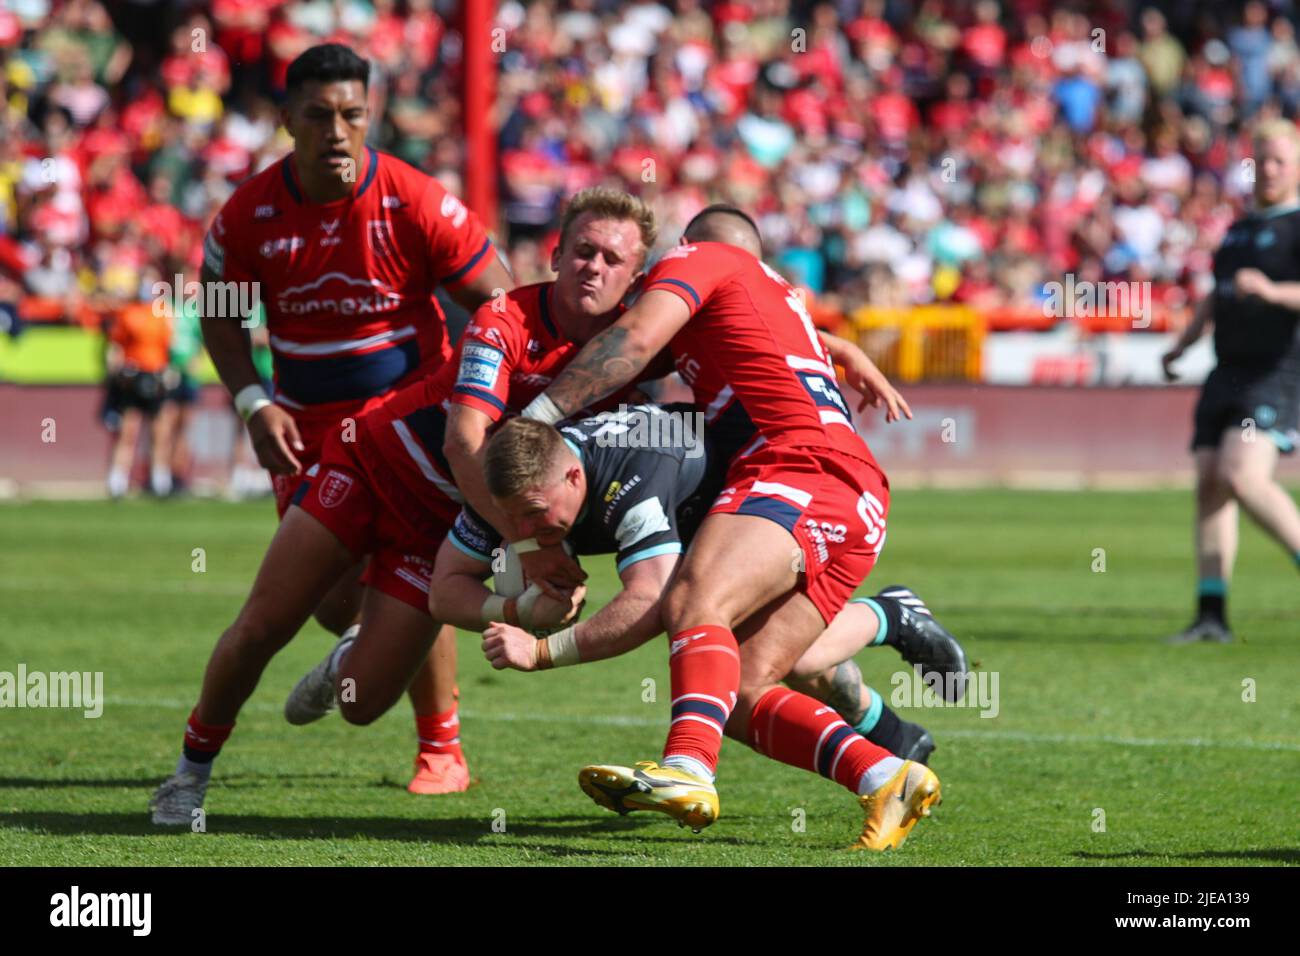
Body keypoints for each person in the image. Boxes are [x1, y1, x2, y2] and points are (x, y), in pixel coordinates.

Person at [152, 189, 655, 825]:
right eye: (583, 250)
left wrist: (553, 573)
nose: (594, 266)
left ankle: (347, 663)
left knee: (363, 703)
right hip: (370, 466)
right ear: (555, 255)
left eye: (613, 258)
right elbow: (462, 440)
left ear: (636, 278)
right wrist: (532, 551)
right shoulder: (504, 319)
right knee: (263, 625)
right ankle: (187, 776)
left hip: (446, 527)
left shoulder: (637, 362)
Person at [150, 43, 510, 822]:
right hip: (308, 439)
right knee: (325, 602)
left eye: (351, 114)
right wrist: (253, 402)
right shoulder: (247, 217)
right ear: (286, 122)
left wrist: (472, 407)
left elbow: (502, 302)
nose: (337, 132)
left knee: (424, 578)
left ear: (370, 114)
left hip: (414, 444)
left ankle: (440, 747)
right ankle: (352, 651)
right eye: (318, 116)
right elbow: (218, 323)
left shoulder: (415, 201)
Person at [520, 203, 937, 850]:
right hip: (853, 492)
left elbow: (629, 344)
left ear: (688, 249)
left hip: (800, 465)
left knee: (691, 598)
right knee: (736, 691)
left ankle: (688, 769)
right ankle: (886, 775)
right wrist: (842, 346)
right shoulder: (772, 301)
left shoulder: (700, 260)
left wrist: (537, 419)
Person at [429, 410, 970, 769]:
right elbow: (444, 590)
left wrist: (541, 651)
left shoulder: (631, 475)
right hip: (705, 538)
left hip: (763, 512)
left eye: (533, 517)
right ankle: (894, 733)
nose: (523, 534)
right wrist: (521, 607)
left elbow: (649, 602)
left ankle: (887, 621)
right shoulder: (517, 489)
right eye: (510, 522)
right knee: (775, 666)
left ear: (573, 480)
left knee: (743, 666)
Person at [1162, 118, 1300, 643]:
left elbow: (1273, 291)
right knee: (1211, 484)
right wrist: (1184, 342)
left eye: (1278, 160)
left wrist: (1272, 291)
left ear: (1295, 167)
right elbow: (1217, 294)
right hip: (1226, 369)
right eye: (1260, 160)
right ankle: (1211, 615)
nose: (1267, 169)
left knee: (1245, 476)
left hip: (1277, 369)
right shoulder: (1238, 230)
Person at [102, 291, 173, 498]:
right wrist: (116, 374)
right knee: (128, 431)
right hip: (133, 377)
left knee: (160, 432)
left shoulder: (162, 314)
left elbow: (169, 346)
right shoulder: (128, 313)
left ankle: (160, 480)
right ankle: (118, 481)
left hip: (156, 375)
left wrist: (169, 371)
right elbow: (116, 345)